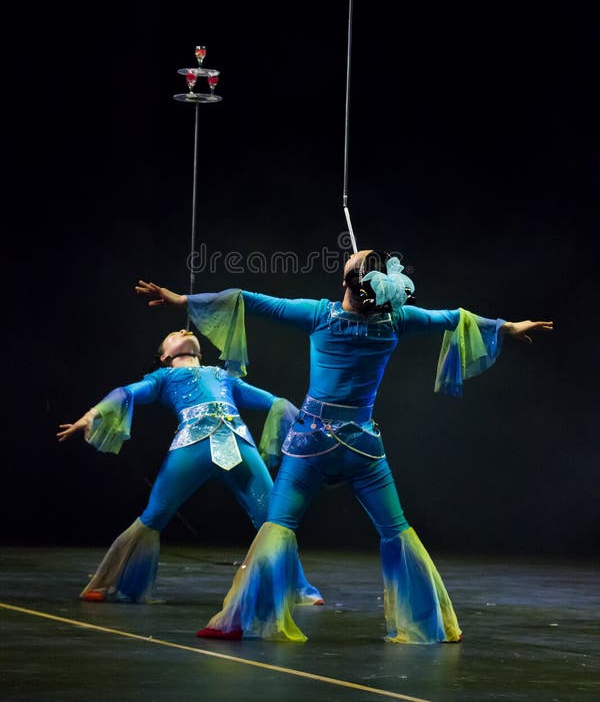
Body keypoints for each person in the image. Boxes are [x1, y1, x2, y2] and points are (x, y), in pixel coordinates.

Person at [135, 251, 553, 643]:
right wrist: (507, 326)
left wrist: (181, 299)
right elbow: (454, 317)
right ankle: (429, 624)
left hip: (310, 445)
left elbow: (247, 299)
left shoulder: (319, 316)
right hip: (362, 447)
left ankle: (246, 619)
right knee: (396, 529)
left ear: (346, 283)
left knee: (278, 526)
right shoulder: (397, 320)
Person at [57, 327, 323, 611]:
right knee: (155, 515)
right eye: (172, 333)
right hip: (190, 445)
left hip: (236, 442)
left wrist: (314, 427)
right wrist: (91, 415)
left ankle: (295, 588)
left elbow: (274, 402)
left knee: (273, 515)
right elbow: (125, 393)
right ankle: (113, 583)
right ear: (164, 356)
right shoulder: (162, 377)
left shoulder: (224, 376)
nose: (183, 330)